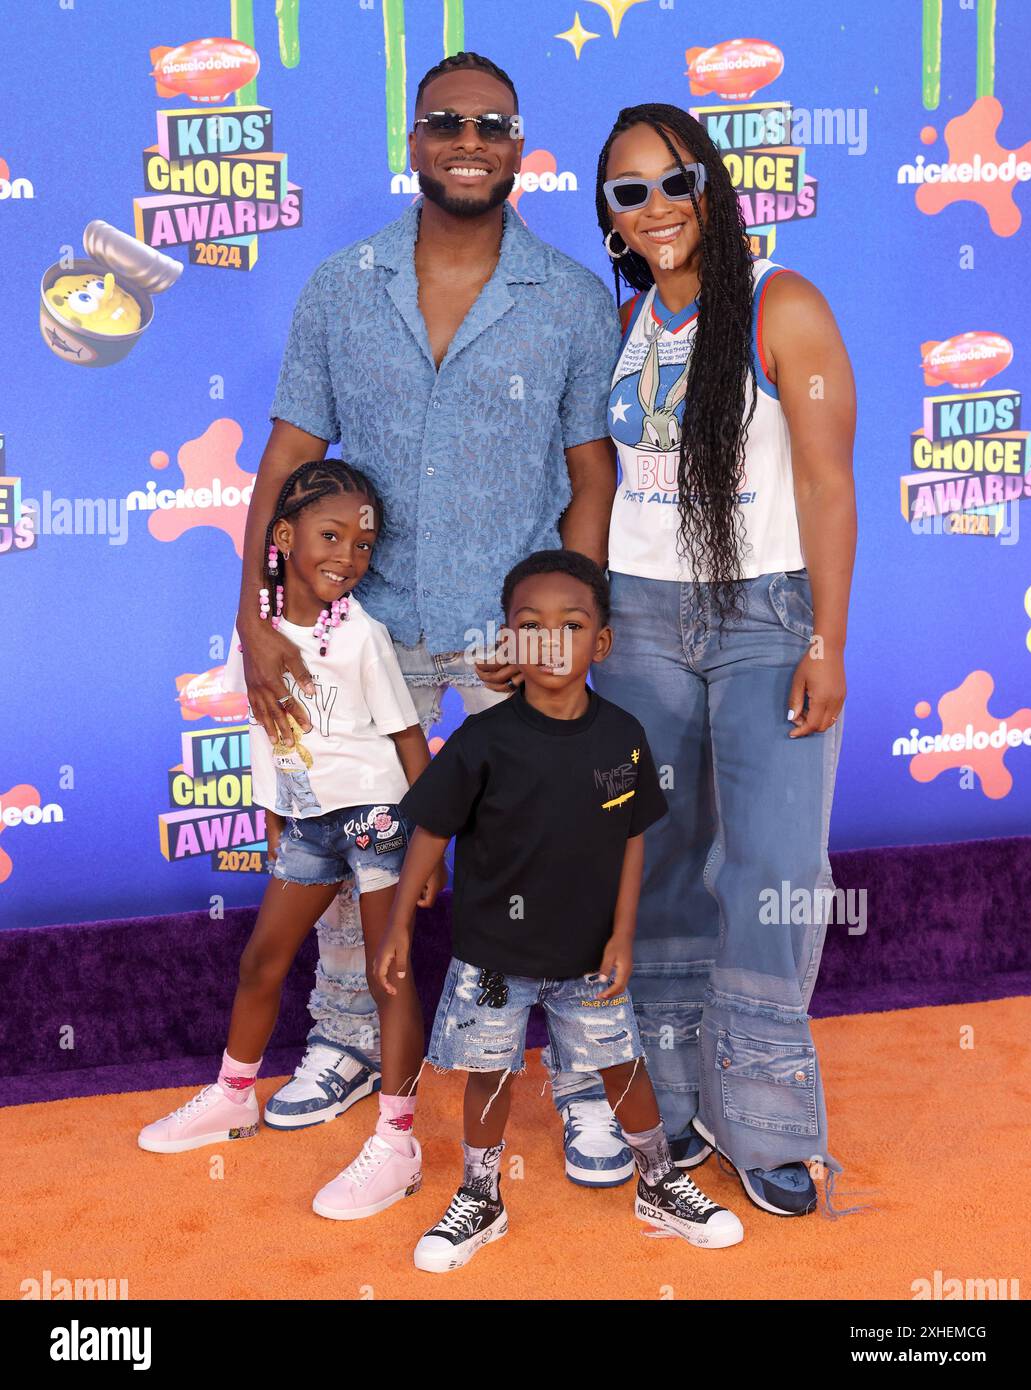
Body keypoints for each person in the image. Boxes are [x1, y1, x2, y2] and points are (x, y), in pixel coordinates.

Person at [235, 51, 633, 1184]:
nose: (469, 138)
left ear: (518, 146)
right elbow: (287, 456)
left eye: (492, 123)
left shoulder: (565, 298)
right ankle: (351, 1042)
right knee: (355, 848)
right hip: (366, 628)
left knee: (553, 849)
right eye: (446, 120)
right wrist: (263, 608)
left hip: (513, 631)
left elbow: (590, 477)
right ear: (415, 141)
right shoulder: (338, 286)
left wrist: (564, 623)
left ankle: (580, 1076)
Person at [587, 103, 856, 1215]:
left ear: (713, 185)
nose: (655, 207)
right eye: (628, 191)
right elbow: (600, 487)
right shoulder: (623, 324)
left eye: (673, 179)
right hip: (640, 619)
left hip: (765, 614)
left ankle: (772, 1123)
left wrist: (827, 639)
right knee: (657, 859)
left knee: (777, 873)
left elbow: (830, 483)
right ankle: (678, 1099)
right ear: (609, 219)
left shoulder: (780, 304)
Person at [374, 551, 744, 1271]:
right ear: (508, 642)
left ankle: (660, 1182)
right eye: (529, 626)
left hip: (587, 954)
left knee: (623, 1067)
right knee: (491, 1072)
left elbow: (636, 839)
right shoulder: (484, 740)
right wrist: (400, 922)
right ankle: (481, 1197)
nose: (550, 641)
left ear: (600, 644)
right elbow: (431, 826)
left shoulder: (622, 737)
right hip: (492, 959)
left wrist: (624, 936)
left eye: (570, 626)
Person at [139, 460, 443, 1223]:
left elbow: (409, 737)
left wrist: (432, 844)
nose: (348, 557)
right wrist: (275, 812)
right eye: (331, 536)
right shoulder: (260, 630)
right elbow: (266, 730)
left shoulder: (363, 634)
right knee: (261, 960)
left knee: (389, 977)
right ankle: (235, 1095)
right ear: (283, 536)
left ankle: (399, 1141)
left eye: (364, 545)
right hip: (308, 823)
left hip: (377, 818)